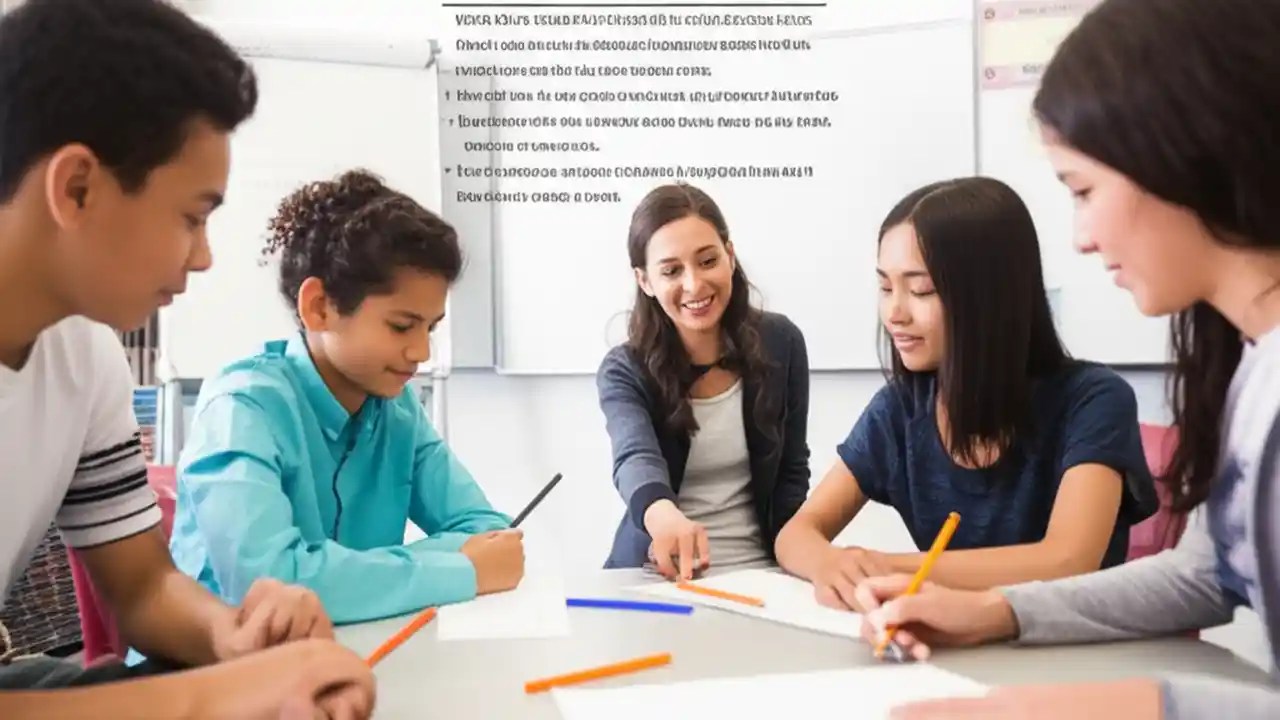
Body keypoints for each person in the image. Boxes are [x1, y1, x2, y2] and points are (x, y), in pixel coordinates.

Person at [855, 1, 1280, 718]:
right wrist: (993, 610)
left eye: (1083, 191)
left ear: (1187, 155)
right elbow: (1206, 572)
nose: (1081, 238)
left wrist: (1087, 709)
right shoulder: (1250, 367)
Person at [0, 0, 373, 717]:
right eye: (191, 217)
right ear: (76, 188)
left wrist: (234, 638)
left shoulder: (87, 357)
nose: (203, 257)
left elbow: (140, 588)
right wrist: (212, 697)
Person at [162, 169, 524, 625]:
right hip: (208, 674)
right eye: (401, 326)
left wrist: (339, 576)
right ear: (319, 307)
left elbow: (486, 531)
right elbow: (269, 588)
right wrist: (460, 567)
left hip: (341, 655)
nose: (422, 352)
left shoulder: (397, 409)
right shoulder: (242, 408)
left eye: (430, 328)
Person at [775, 177, 1157, 608]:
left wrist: (883, 566)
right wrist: (827, 563)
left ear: (989, 298)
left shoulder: (1094, 401)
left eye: (920, 290)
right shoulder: (900, 409)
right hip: (957, 646)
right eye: (885, 288)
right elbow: (796, 534)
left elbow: (1068, 560)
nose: (894, 313)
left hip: (1075, 651)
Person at [597, 182, 811, 579]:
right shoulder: (624, 368)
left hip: (764, 572)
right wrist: (663, 517)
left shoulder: (782, 344)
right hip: (656, 574)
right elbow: (634, 458)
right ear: (645, 281)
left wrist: (796, 563)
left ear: (730, 256)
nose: (694, 285)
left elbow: (792, 471)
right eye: (671, 271)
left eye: (708, 260)